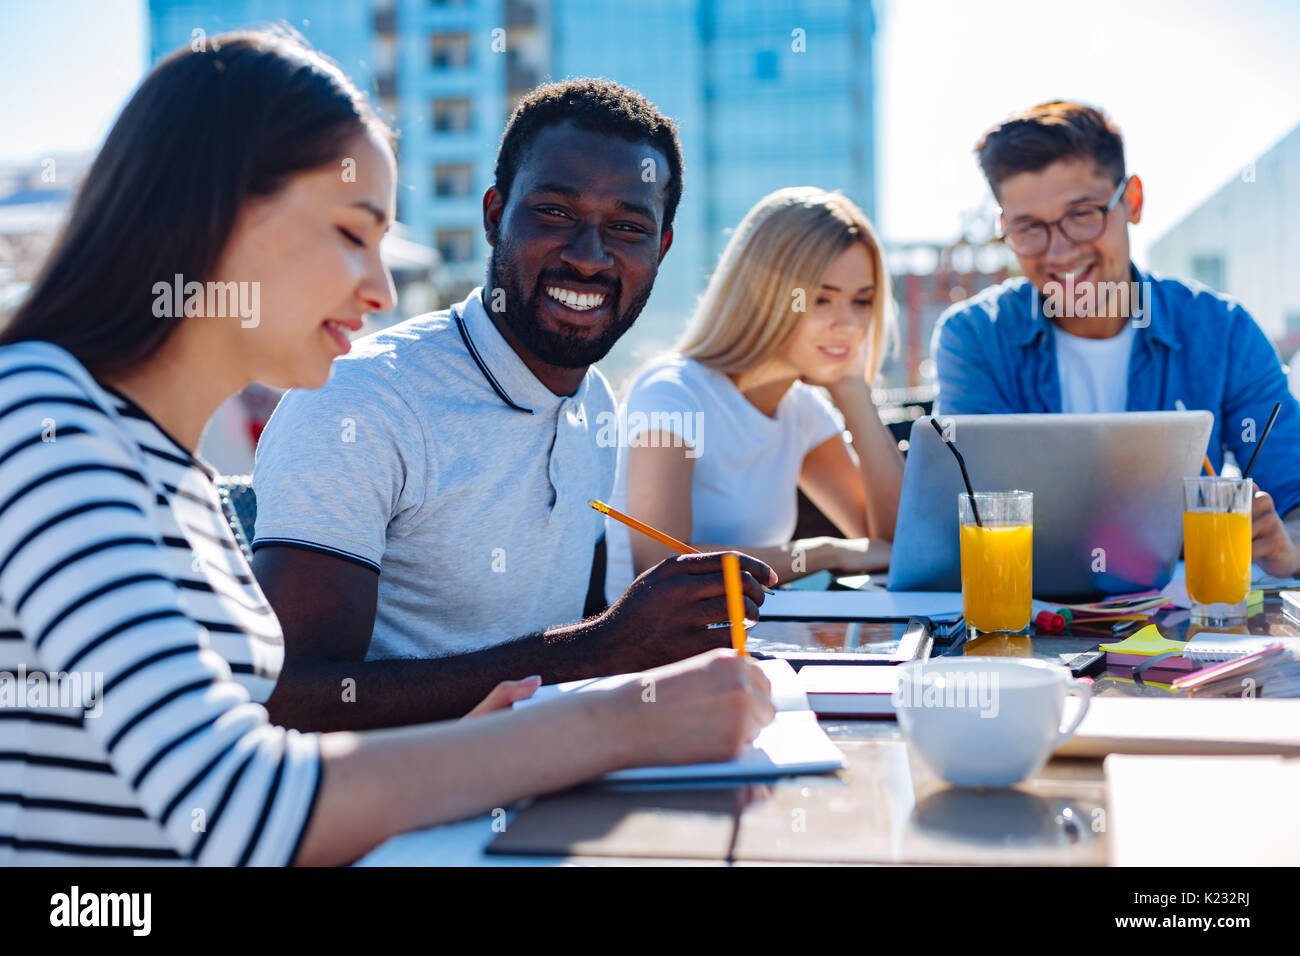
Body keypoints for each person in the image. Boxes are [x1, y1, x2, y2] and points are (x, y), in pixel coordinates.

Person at [0, 32, 774, 866]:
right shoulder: (48, 426)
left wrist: (500, 733)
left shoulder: (159, 461)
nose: (382, 288)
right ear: (212, 213)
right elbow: (235, 803)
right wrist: (617, 717)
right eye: (349, 231)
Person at [250, 77, 777, 733]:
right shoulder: (361, 399)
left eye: (626, 227)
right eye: (555, 213)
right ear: (495, 214)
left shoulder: (596, 403)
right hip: (397, 820)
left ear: (661, 249)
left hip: (543, 780)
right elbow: (286, 697)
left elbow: (574, 644)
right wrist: (606, 645)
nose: (589, 258)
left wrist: (661, 653)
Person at [932, 101, 1300, 577]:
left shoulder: (1221, 331)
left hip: (1178, 627)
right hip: (1025, 617)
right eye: (1028, 228)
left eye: (1082, 214)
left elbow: (1294, 498)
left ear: (1133, 202)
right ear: (1006, 229)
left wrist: (1287, 542)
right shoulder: (975, 338)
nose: (1060, 250)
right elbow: (961, 514)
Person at [604, 187, 902, 602]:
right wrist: (822, 553)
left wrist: (853, 391)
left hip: (753, 644)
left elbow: (894, 544)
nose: (848, 323)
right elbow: (661, 566)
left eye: (863, 301)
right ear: (765, 294)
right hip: (661, 658)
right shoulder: (670, 393)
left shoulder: (802, 410)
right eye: (821, 299)